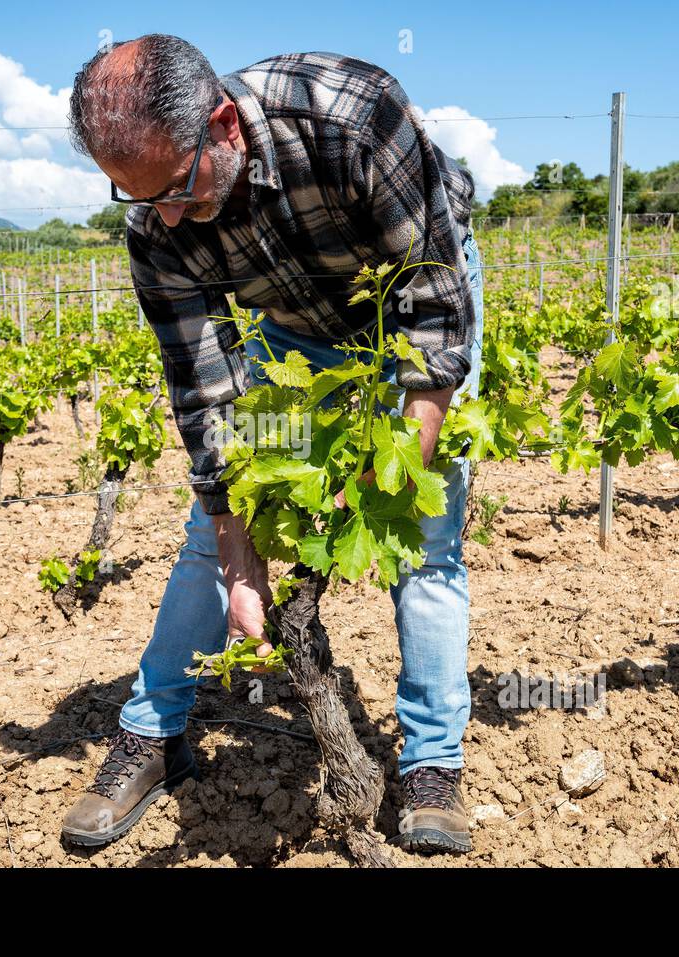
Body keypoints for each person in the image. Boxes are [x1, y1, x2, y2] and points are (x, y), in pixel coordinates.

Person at [61, 34, 484, 855]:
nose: (167, 216)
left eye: (179, 188)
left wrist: (387, 472)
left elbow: (434, 310)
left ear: (223, 123)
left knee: (426, 538)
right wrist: (240, 556)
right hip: (295, 335)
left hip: (407, 304)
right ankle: (154, 734)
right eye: (137, 197)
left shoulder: (353, 117)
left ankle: (433, 762)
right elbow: (206, 393)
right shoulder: (157, 223)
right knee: (210, 529)